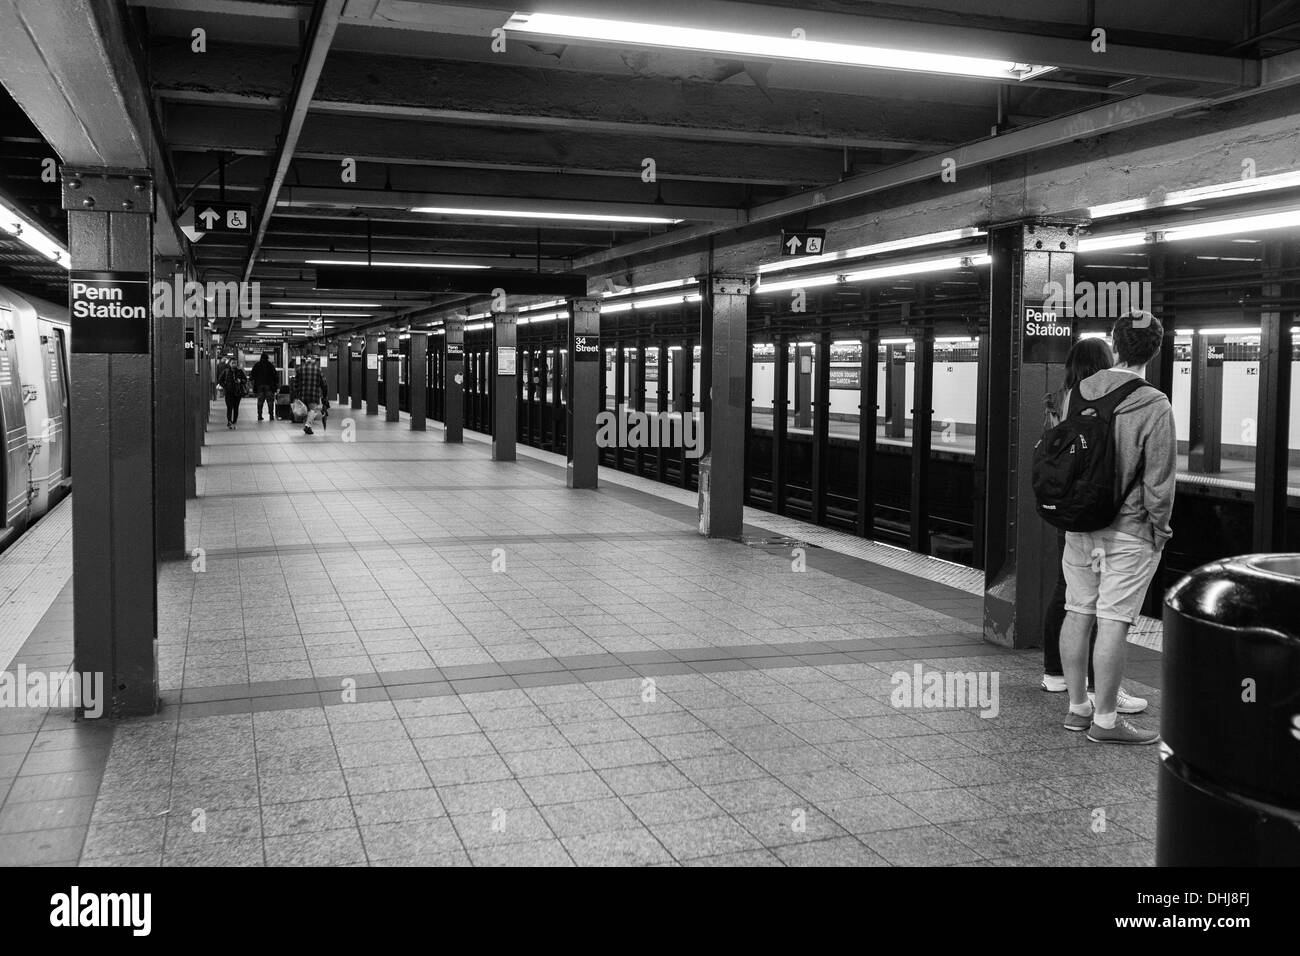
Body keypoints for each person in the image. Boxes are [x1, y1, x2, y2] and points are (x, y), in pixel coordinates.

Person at [1058, 310, 1175, 745]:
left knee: (1078, 610)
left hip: (1080, 523)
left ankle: (1077, 708)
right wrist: (1159, 531)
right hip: (1128, 530)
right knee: (1112, 621)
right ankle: (1106, 721)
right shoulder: (1154, 403)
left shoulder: (1080, 392)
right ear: (1155, 350)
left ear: (1114, 341)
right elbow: (1160, 483)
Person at [292, 347, 329, 436]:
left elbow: (295, 383)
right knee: (313, 410)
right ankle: (308, 426)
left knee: (305, 410)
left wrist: (296, 393)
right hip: (313, 394)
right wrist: (325, 395)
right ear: (314, 361)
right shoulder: (318, 369)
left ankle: (308, 426)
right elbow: (324, 383)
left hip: (303, 394)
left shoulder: (300, 369)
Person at [221, 357, 249, 430]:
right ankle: (229, 421)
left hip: (237, 392)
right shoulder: (226, 371)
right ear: (230, 363)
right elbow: (220, 380)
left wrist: (241, 381)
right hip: (228, 392)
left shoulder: (240, 371)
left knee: (236, 408)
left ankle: (234, 421)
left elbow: (245, 380)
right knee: (229, 407)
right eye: (232, 363)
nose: (234, 364)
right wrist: (225, 387)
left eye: (235, 363)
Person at [251, 352, 279, 421]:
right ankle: (271, 416)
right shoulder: (270, 365)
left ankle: (259, 415)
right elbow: (275, 375)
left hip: (259, 386)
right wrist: (276, 384)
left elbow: (252, 374)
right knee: (270, 401)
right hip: (269, 386)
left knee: (260, 401)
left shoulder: (257, 365)